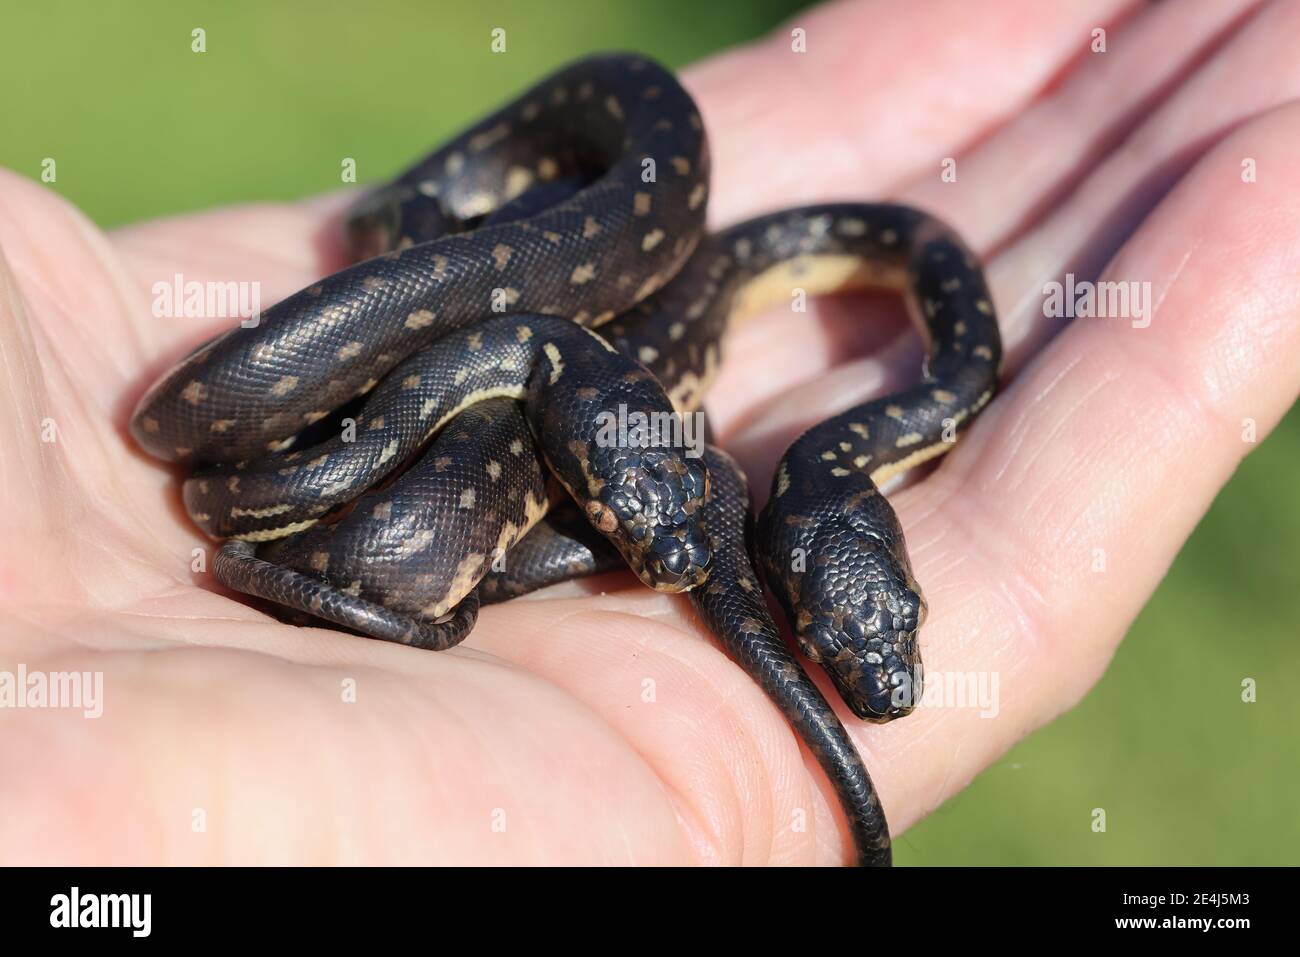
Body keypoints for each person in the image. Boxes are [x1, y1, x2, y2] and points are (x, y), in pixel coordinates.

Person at [1, 0, 1296, 864]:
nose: (874, 670)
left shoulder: (610, 402)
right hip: (421, 420)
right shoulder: (248, 438)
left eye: (859, 633)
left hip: (464, 402)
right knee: (406, 257)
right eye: (854, 629)